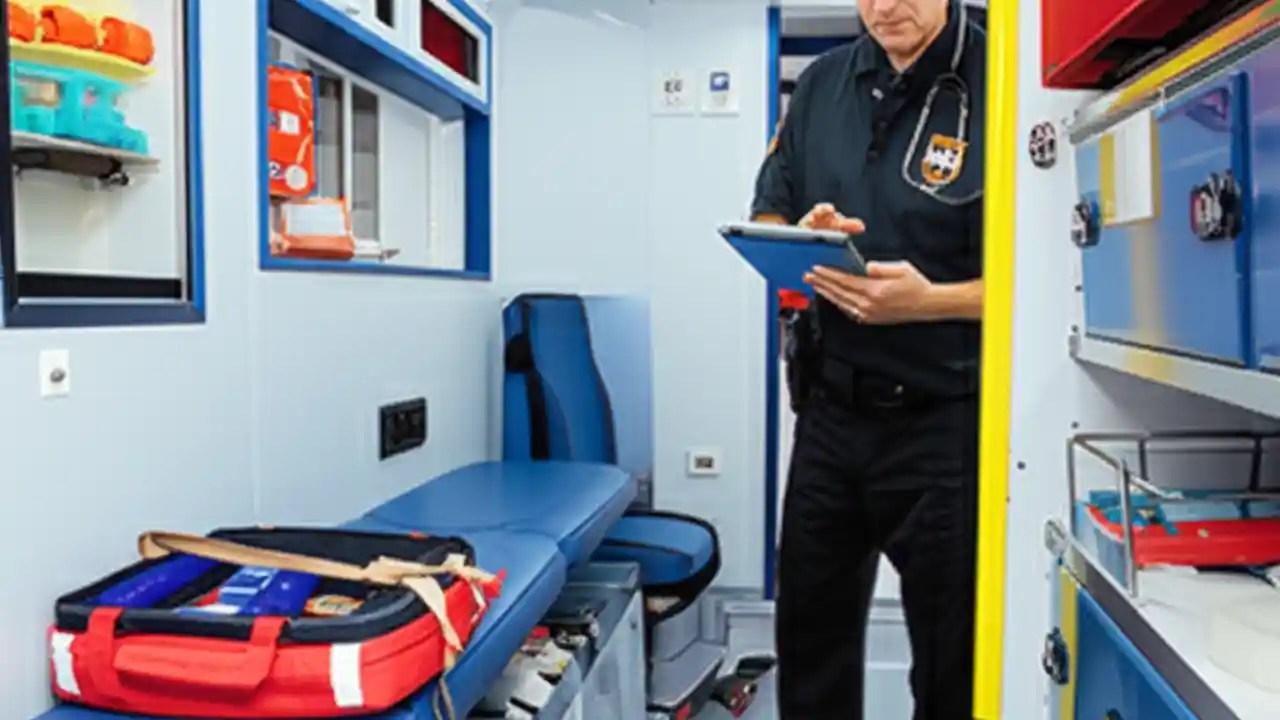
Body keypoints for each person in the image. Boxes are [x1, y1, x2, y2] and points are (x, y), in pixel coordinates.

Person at [751, 1, 986, 718]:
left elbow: (1050, 276)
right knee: (810, 641)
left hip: (948, 421)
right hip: (831, 414)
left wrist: (931, 301)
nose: (885, 7)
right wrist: (803, 238)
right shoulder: (822, 83)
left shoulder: (1004, 77)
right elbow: (768, 212)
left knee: (954, 663)